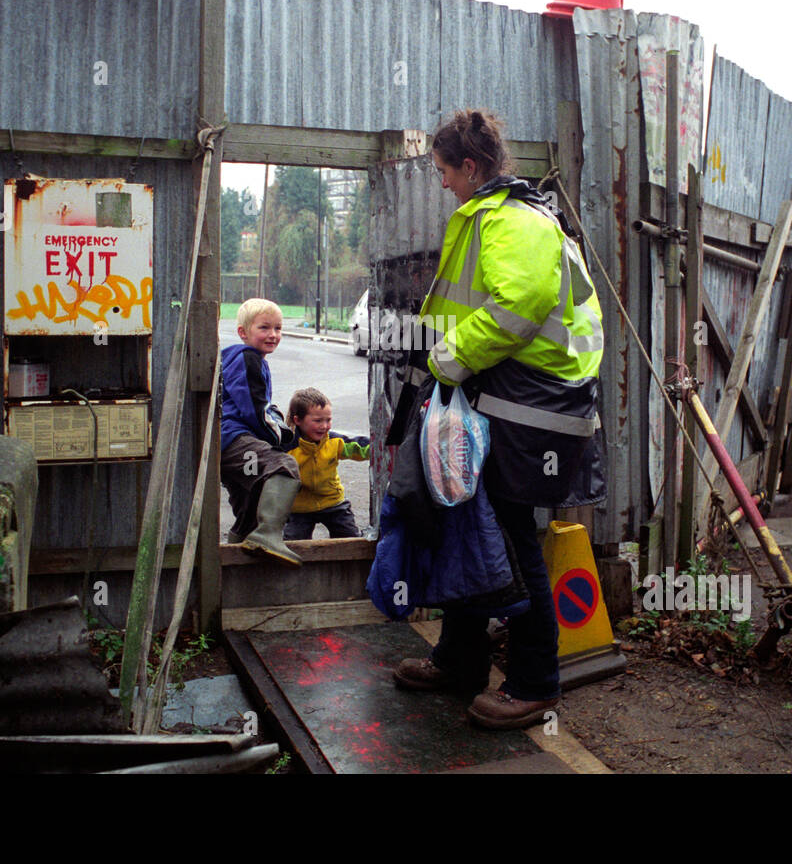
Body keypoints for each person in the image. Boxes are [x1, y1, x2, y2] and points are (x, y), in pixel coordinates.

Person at [389, 108, 605, 730]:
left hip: (528, 404)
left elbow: (519, 305)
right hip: (509, 395)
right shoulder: (497, 216)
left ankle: (536, 684)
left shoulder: (514, 220)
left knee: (510, 540)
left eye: (444, 171)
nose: (442, 182)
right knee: (469, 526)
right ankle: (461, 661)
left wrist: (447, 357)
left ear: (470, 166)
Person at [219, 298, 303, 566]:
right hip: (235, 438)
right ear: (243, 332)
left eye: (278, 328)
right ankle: (268, 535)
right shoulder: (248, 358)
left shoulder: (240, 358)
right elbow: (256, 410)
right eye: (264, 328)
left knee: (251, 497)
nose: (273, 335)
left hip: (227, 443)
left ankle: (240, 552)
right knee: (283, 466)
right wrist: (284, 438)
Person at [282, 387, 370, 539]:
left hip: (332, 501)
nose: (324, 426)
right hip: (299, 507)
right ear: (297, 420)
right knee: (293, 545)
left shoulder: (335, 442)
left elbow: (360, 447)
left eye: (328, 420)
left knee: (350, 538)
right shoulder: (287, 448)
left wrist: (382, 447)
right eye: (317, 421)